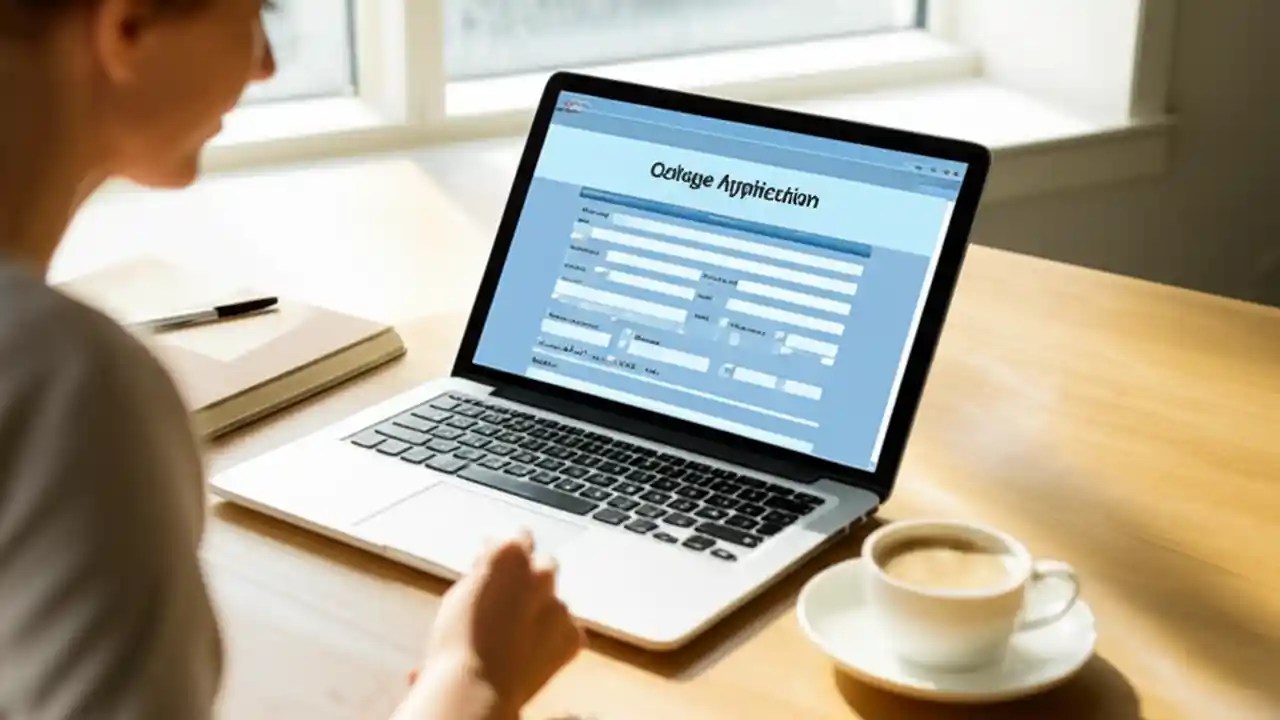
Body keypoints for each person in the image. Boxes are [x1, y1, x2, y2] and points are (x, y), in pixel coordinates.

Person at [0, 1, 584, 718]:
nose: (265, 64)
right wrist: (473, 680)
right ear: (128, 27)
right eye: (252, 12)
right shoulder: (69, 388)